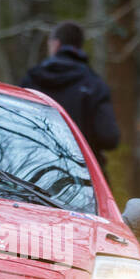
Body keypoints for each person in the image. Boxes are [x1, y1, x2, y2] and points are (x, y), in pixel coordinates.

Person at [21, 21, 120, 169]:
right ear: (79, 46)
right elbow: (109, 138)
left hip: (32, 170)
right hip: (81, 176)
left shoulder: (31, 79)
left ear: (56, 44)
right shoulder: (94, 84)